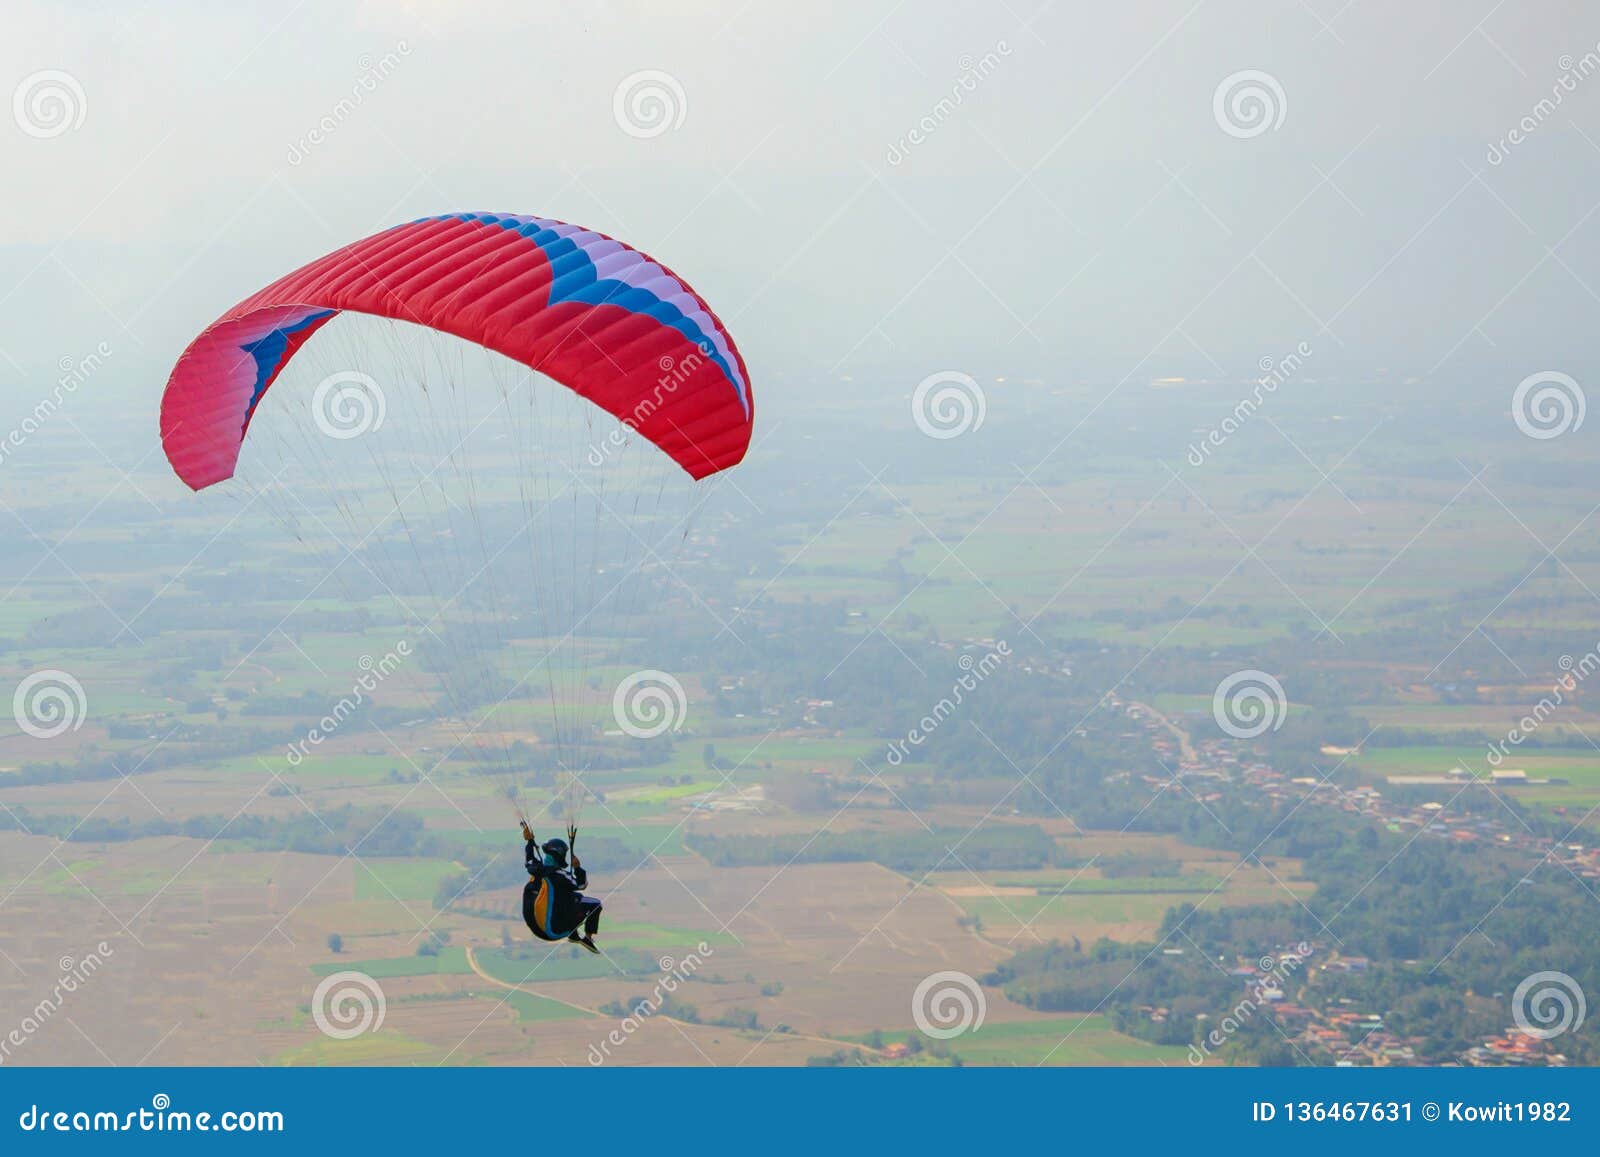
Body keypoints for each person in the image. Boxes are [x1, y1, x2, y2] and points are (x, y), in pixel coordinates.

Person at [521, 821, 602, 954]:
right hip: (554, 930)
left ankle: (574, 935)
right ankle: (587, 938)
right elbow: (582, 885)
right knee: (595, 904)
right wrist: (577, 868)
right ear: (560, 856)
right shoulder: (560, 875)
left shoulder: (535, 868)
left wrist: (529, 841)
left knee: (574, 897)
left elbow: (529, 859)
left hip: (537, 928)